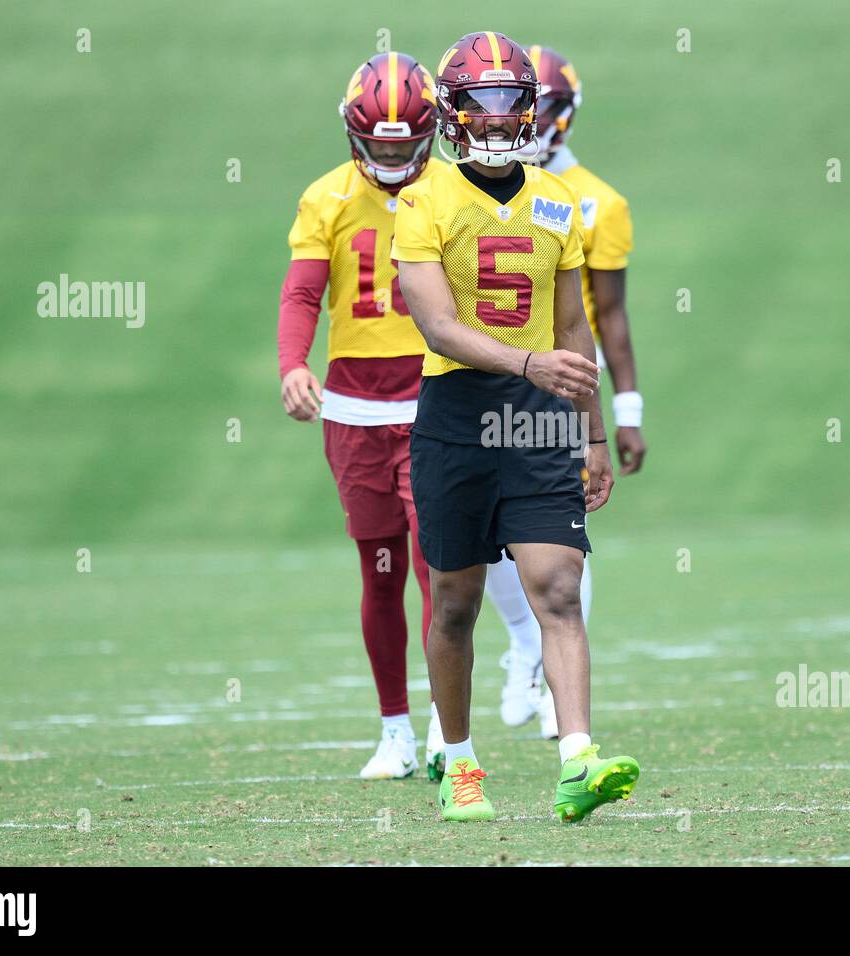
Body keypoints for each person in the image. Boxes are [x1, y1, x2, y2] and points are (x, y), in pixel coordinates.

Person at [391, 31, 640, 822]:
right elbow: (436, 326)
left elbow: (574, 329)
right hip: (457, 415)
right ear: (452, 113)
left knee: (558, 589)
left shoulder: (560, 203)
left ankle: (579, 762)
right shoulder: (424, 199)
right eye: (479, 104)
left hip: (537, 421)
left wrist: (593, 431)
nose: (498, 120)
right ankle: (459, 762)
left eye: (510, 104)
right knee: (455, 602)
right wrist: (529, 366)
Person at [276, 52, 439, 779]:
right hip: (355, 414)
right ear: (354, 136)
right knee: (380, 573)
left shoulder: (450, 193)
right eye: (381, 145)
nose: (394, 158)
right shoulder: (327, 198)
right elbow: (303, 294)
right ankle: (394, 729)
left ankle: (446, 724)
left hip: (437, 405)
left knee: (441, 572)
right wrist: (293, 364)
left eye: (406, 146)